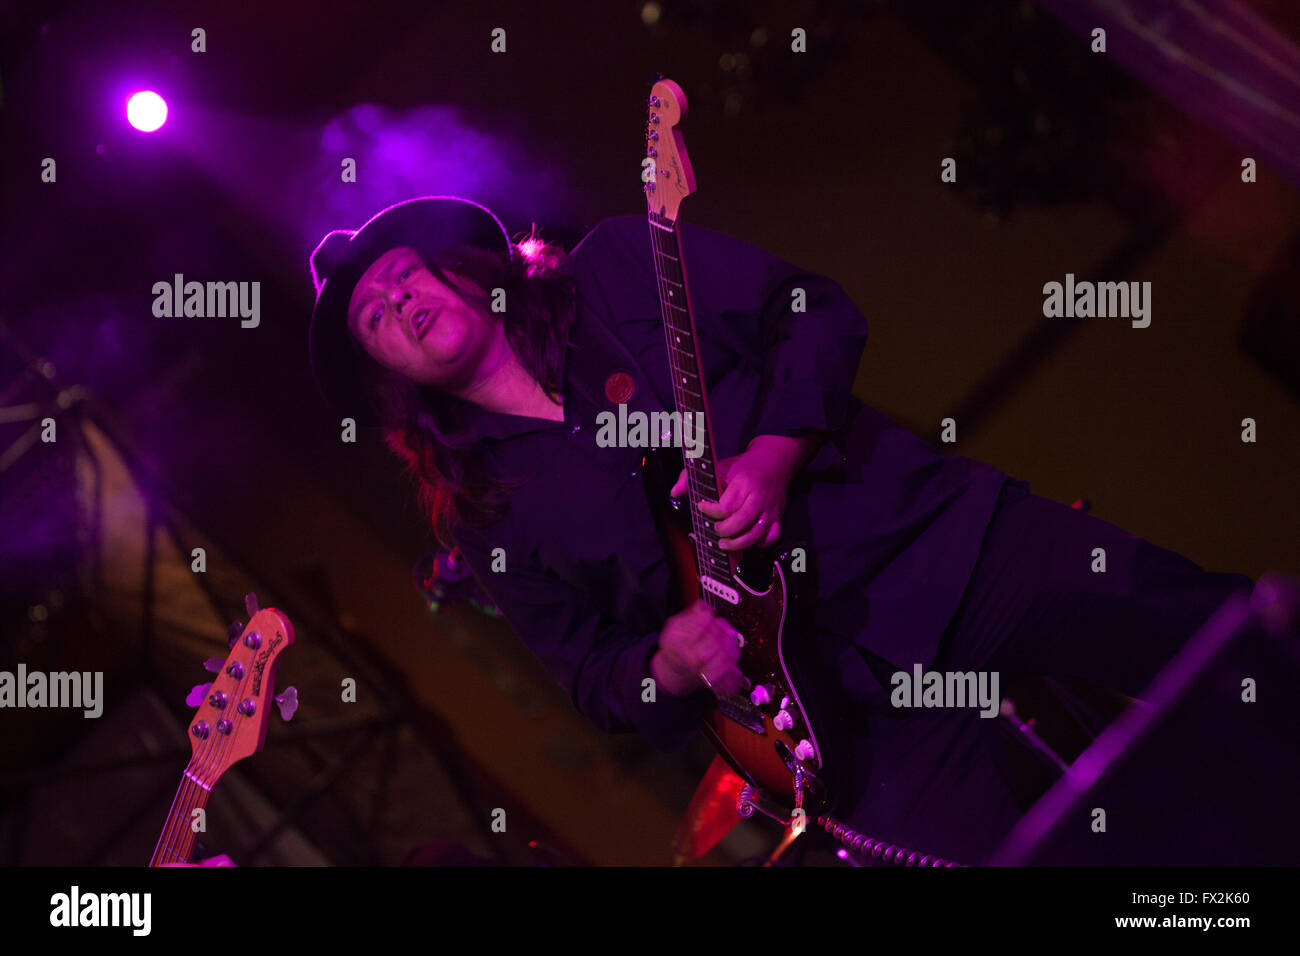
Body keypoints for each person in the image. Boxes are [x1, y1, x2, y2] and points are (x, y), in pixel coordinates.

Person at [307, 196, 1254, 864]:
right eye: (374, 317)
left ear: (459, 266)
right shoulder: (479, 505)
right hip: (842, 717)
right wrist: (667, 666)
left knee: (1219, 647)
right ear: (387, 371)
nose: (398, 304)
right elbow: (589, 673)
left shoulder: (619, 268)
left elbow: (814, 315)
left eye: (402, 276)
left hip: (930, 542)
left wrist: (772, 455)